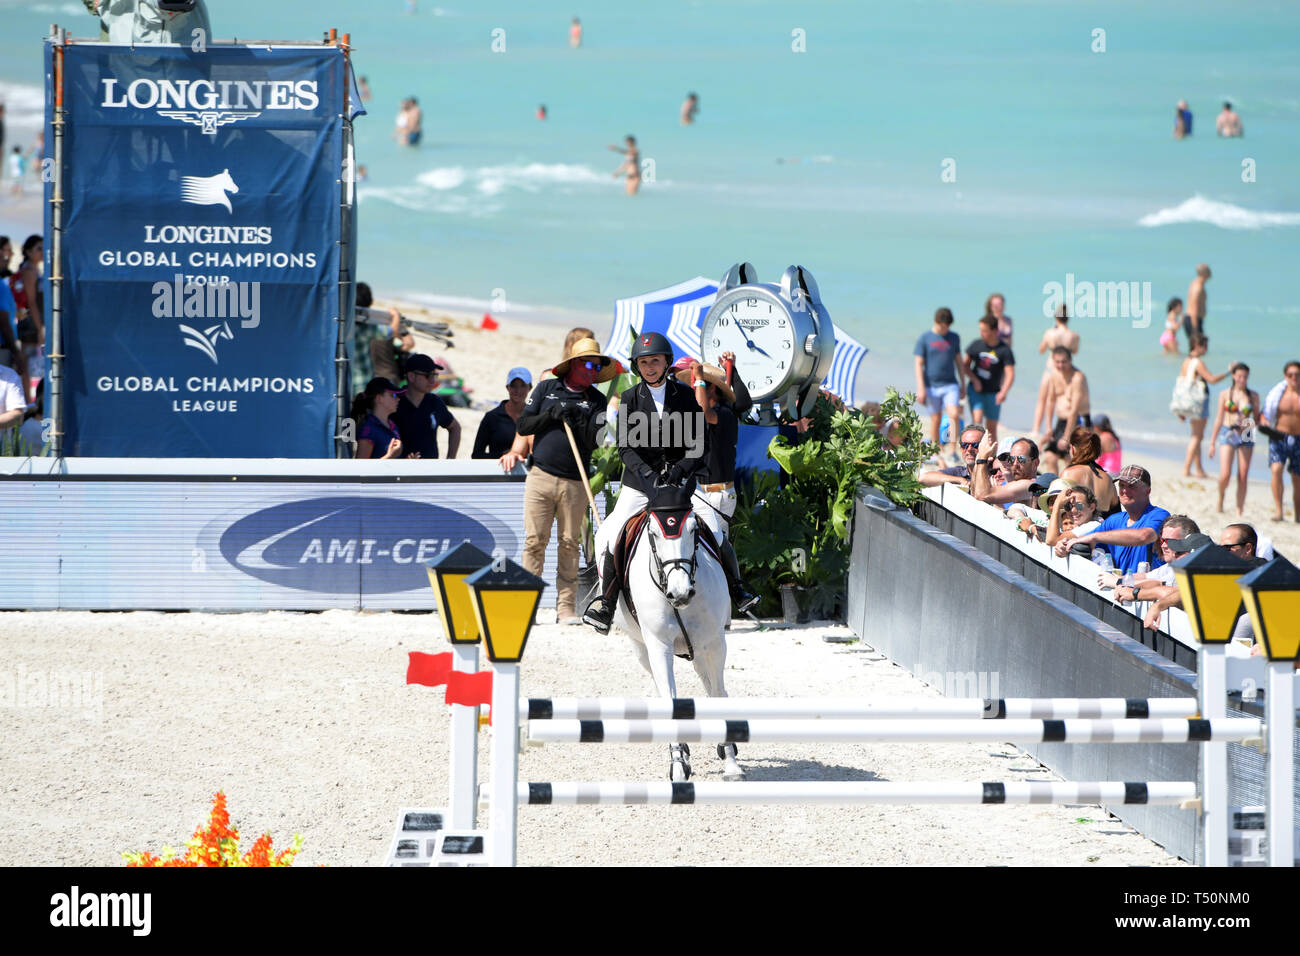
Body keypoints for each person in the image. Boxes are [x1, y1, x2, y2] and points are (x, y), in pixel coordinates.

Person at [584, 332, 710, 633]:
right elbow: (626, 448)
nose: (650, 367)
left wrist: (678, 472)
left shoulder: (686, 397)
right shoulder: (630, 398)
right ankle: (607, 603)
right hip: (640, 485)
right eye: (644, 362)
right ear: (636, 366)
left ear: (666, 362)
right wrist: (650, 477)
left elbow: (698, 445)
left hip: (680, 484)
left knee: (714, 528)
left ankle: (737, 589)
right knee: (610, 536)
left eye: (655, 360)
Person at [518, 337, 615, 626]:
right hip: (541, 476)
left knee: (569, 544)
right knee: (535, 541)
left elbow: (593, 442)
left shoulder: (597, 400)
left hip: (575, 482)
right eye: (587, 363)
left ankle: (566, 608)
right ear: (573, 364)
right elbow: (523, 425)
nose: (592, 370)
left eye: (597, 366)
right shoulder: (548, 388)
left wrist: (579, 420)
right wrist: (550, 415)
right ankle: (528, 606)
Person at [671, 352, 757, 612]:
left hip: (716, 493)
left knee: (717, 542)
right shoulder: (706, 415)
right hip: (700, 491)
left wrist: (700, 378)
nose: (694, 387)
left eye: (700, 385)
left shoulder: (723, 414)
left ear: (713, 392)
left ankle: (737, 591)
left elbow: (701, 410)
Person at [1056, 465, 1169, 574]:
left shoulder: (1159, 515)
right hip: (1118, 586)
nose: (1124, 490)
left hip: (1147, 589)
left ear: (1147, 491)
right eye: (1122, 485)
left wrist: (1094, 536)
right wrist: (1063, 546)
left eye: (1131, 486)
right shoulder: (1114, 520)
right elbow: (1084, 541)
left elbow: (1144, 536)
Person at [1108, 515, 1199, 602]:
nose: (1163, 546)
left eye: (1169, 541)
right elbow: (1146, 576)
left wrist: (1122, 585)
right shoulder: (1172, 564)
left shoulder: (1191, 566)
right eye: (1162, 540)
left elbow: (1159, 586)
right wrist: (1121, 581)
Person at [913, 307, 964, 461]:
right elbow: (918, 364)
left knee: (954, 414)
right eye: (943, 326)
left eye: (948, 326)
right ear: (936, 322)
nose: (945, 329)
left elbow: (959, 361)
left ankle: (952, 449)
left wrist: (963, 382)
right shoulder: (925, 338)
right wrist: (920, 388)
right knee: (935, 418)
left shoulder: (954, 337)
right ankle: (937, 449)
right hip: (931, 385)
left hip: (950, 384)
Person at [1208, 362, 1259, 516]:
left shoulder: (1253, 396)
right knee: (1225, 474)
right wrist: (1212, 442)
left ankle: (1239, 509)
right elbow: (1218, 418)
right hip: (1228, 431)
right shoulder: (1225, 394)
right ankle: (1221, 498)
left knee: (1243, 475)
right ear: (1234, 376)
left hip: (1247, 431)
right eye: (1239, 376)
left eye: (1245, 376)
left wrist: (1253, 425)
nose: (1242, 379)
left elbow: (1257, 418)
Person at [1174, 334, 1227, 478]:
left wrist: (1181, 410)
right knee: (1197, 436)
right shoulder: (1197, 362)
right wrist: (1228, 372)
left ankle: (1199, 469)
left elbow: (1182, 383)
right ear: (1198, 346)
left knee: (1195, 435)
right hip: (1197, 403)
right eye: (1205, 345)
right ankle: (1186, 468)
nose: (1206, 349)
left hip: (1187, 402)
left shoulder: (1186, 361)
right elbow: (1212, 379)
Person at [392, 353, 460, 459]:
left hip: (431, 471)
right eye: (428, 375)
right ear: (411, 376)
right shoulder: (394, 402)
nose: (432, 381)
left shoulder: (434, 402)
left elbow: (455, 427)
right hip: (399, 472)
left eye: (434, 375)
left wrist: (450, 460)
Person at [961, 315, 1015, 443]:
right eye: (980, 329)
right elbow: (964, 366)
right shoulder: (976, 345)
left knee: (991, 429)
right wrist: (974, 379)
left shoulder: (1004, 350)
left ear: (995, 331)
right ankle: (976, 450)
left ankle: (991, 457)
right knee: (978, 421)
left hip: (993, 392)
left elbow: (1010, 374)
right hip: (976, 391)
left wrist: (1004, 392)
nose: (982, 333)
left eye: (985, 330)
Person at [1260, 359, 1300, 522]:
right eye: (1290, 375)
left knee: (1297, 479)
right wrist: (1264, 422)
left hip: (1298, 440)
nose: (1294, 378)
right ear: (1285, 376)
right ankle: (1279, 511)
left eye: (1297, 374)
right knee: (1276, 470)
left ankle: (1298, 515)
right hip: (1278, 437)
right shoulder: (1278, 393)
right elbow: (1265, 412)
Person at [1039, 346, 1090, 472]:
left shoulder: (1078, 377)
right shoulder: (1054, 375)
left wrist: (1067, 436)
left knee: (1071, 459)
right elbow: (1050, 401)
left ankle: (1071, 487)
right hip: (1061, 422)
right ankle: (1056, 486)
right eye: (1057, 362)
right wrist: (1049, 427)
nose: (1060, 365)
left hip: (1079, 421)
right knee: (1050, 456)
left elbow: (1074, 410)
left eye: (1063, 361)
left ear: (1070, 360)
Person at [970, 432, 1048, 508]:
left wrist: (982, 459)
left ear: (1035, 463)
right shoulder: (1008, 484)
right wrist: (978, 460)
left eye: (1021, 459)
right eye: (1012, 459)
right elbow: (976, 495)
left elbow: (982, 495)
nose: (1015, 464)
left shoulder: (1030, 485)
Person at [1058, 426, 1119, 516]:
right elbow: (1115, 514)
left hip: (1075, 527)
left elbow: (1059, 507)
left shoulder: (1068, 473)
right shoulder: (1108, 479)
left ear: (1073, 448)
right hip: (1102, 528)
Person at [473, 366, 530, 459]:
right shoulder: (491, 417)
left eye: (523, 385)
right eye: (513, 385)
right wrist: (504, 456)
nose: (518, 390)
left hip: (527, 472)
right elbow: (476, 454)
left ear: (530, 388)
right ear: (507, 387)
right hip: (498, 471)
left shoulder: (534, 417)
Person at [351, 377, 407, 460]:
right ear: (379, 398)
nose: (398, 399)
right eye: (393, 395)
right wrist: (390, 456)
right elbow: (361, 469)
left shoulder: (393, 426)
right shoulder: (368, 429)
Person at [919, 424, 985, 486]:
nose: (969, 449)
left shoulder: (993, 472)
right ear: (960, 448)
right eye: (965, 445)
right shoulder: (960, 473)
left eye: (975, 445)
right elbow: (923, 478)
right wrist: (959, 480)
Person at [1043, 484, 1101, 548]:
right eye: (1068, 506)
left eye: (1079, 506)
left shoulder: (1093, 525)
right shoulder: (1084, 526)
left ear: (1091, 507)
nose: (1073, 510)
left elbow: (1051, 540)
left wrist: (1057, 504)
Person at [1185, 263, 1210, 343]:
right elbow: (1194, 307)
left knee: (1198, 347)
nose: (1210, 272)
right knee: (1198, 347)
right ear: (1204, 273)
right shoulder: (1198, 287)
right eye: (1208, 270)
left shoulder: (1196, 283)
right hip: (1194, 319)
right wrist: (1195, 329)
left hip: (1193, 319)